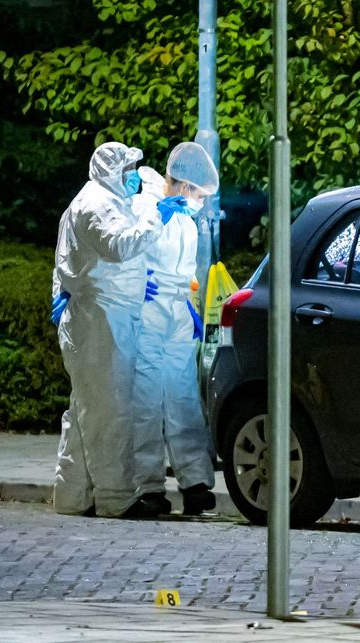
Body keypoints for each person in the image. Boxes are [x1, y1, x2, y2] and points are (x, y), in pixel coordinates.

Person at [51, 142, 190, 518]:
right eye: (128, 168)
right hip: (101, 320)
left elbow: (73, 257)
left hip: (105, 315)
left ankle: (74, 494)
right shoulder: (96, 203)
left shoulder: (104, 200)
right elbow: (118, 246)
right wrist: (156, 217)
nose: (134, 175)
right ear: (113, 170)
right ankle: (116, 498)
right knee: (110, 410)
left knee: (88, 410)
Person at [131, 144, 219, 515]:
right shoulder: (144, 209)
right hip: (148, 312)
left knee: (183, 396)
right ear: (185, 187)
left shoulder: (183, 215)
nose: (201, 202)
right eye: (199, 194)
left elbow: (185, 272)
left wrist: (190, 308)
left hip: (177, 313)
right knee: (147, 400)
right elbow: (126, 251)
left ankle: (195, 481)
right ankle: (148, 486)